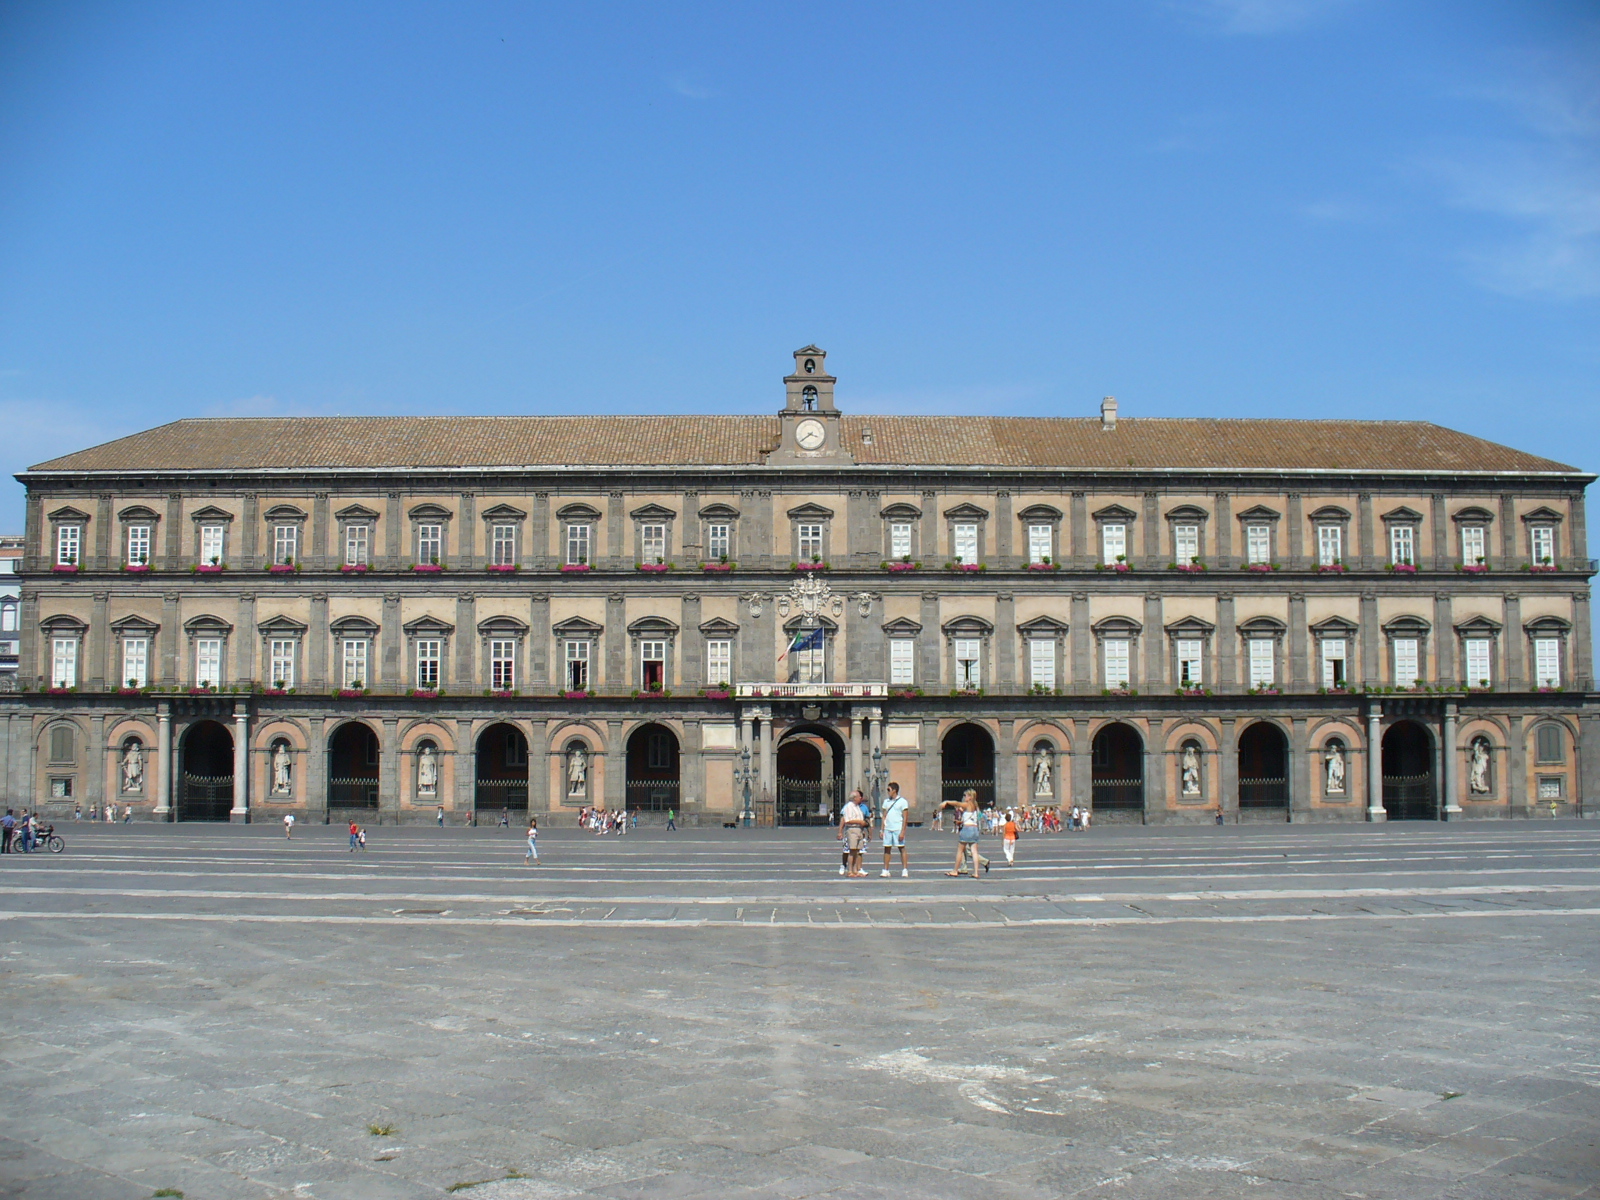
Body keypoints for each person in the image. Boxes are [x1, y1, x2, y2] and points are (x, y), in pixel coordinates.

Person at [944, 791, 989, 878]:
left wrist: (947, 802)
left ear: (970, 797)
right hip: (974, 829)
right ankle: (976, 873)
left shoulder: (968, 804)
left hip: (967, 829)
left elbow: (957, 803)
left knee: (960, 851)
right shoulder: (975, 805)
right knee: (974, 852)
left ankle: (955, 870)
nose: (964, 797)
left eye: (966, 796)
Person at [879, 782, 910, 878]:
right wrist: (882, 830)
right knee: (887, 849)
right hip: (888, 828)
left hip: (898, 828)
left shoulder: (903, 802)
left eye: (889, 790)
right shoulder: (886, 802)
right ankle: (886, 869)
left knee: (901, 848)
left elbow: (905, 818)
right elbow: (884, 816)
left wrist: (903, 831)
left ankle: (904, 869)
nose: (887, 792)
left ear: (894, 790)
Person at [837, 789, 869, 878]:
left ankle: (855, 870)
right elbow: (848, 820)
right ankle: (850, 870)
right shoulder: (849, 807)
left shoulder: (857, 806)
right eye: (859, 797)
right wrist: (860, 822)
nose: (860, 798)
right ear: (854, 798)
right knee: (852, 850)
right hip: (852, 829)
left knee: (857, 851)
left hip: (859, 829)